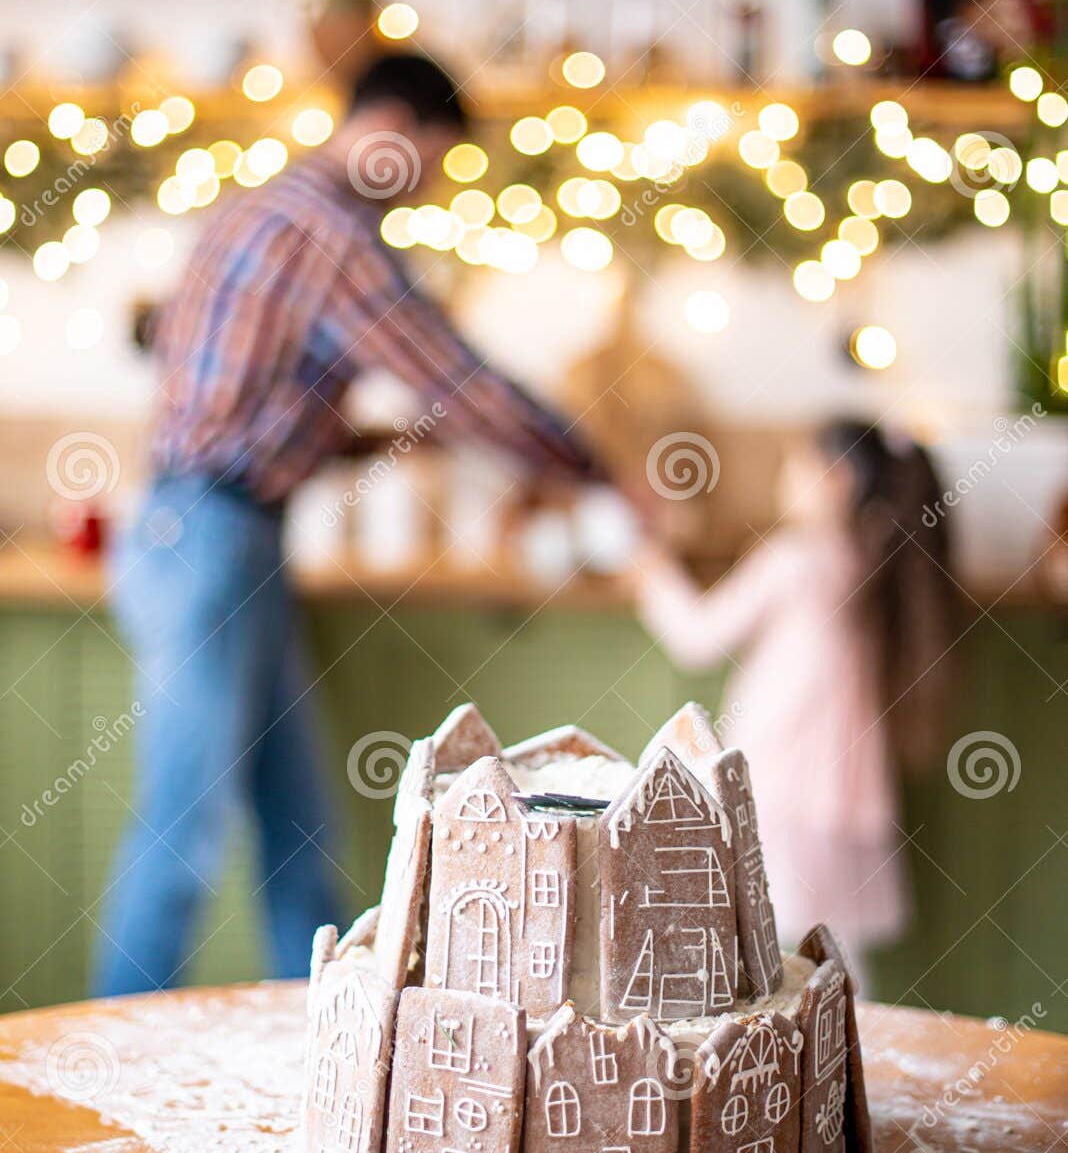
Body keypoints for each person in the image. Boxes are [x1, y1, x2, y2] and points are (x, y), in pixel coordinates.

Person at [94, 53, 599, 998]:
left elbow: (260, 404)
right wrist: (594, 470)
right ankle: (99, 1072)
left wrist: (369, 444)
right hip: (209, 537)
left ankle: (330, 1041)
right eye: (436, 162)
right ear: (393, 133)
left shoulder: (267, 208)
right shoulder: (332, 233)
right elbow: (456, 378)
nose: (432, 189)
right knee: (186, 835)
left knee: (298, 826)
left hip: (215, 534)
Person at [637, 420, 959, 984]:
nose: (785, 478)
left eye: (795, 464)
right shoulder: (869, 558)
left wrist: (650, 570)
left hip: (782, 778)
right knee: (831, 946)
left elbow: (698, 638)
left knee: (772, 939)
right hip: (838, 789)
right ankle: (844, 1048)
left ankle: (801, 1056)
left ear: (833, 479)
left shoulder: (797, 558)